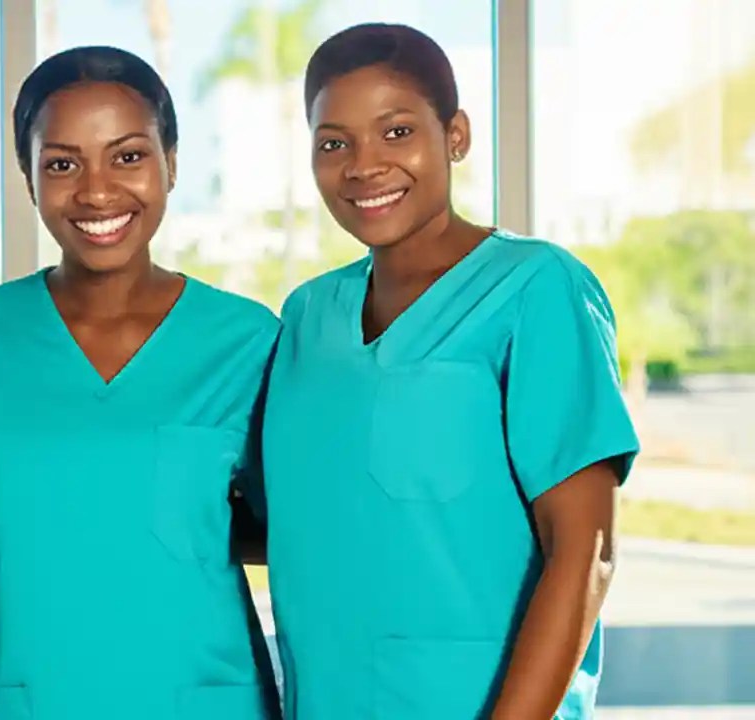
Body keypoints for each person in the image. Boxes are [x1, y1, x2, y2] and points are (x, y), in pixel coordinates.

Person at [262, 23, 640, 720]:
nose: (363, 165)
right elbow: (294, 517)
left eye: (397, 132)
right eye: (333, 142)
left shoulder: (535, 290)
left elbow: (586, 548)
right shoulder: (308, 316)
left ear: (455, 136)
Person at [0, 46, 281, 720]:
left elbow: (300, 528)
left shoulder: (247, 339)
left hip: (207, 700)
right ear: (28, 176)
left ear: (172, 163)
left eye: (127, 155)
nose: (96, 191)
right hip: (24, 698)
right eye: (62, 164)